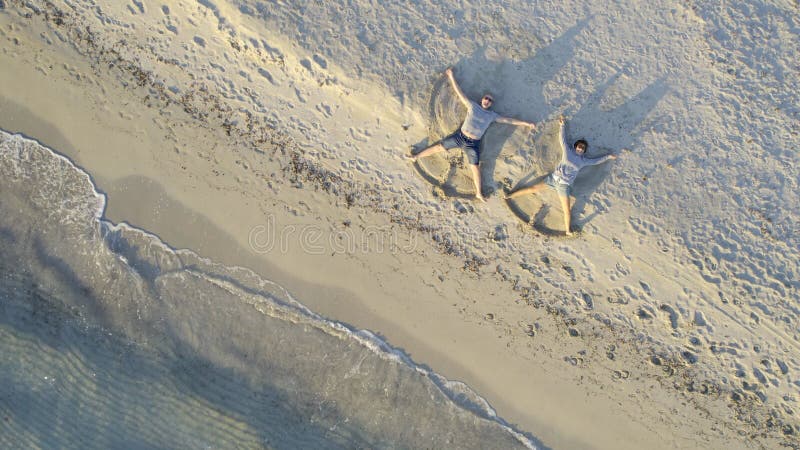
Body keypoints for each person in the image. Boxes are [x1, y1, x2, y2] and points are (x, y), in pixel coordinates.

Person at [409, 67, 536, 202]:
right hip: (460, 137)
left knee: (475, 168)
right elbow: (460, 93)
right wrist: (451, 76)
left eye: (490, 100)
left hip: (473, 144)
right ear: (482, 99)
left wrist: (526, 124)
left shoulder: (492, 116)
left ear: (491, 104)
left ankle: (478, 193)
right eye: (486, 98)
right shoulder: (473, 106)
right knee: (439, 147)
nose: (487, 101)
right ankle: (416, 156)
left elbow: (508, 120)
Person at [506, 115, 618, 235]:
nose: (581, 147)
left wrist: (608, 157)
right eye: (579, 145)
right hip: (553, 179)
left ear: (584, 151)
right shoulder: (568, 152)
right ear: (575, 146)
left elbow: (596, 161)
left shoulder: (584, 161)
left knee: (566, 210)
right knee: (532, 188)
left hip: (564, 186)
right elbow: (562, 139)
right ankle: (510, 196)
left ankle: (568, 230)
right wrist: (562, 125)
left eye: (583, 147)